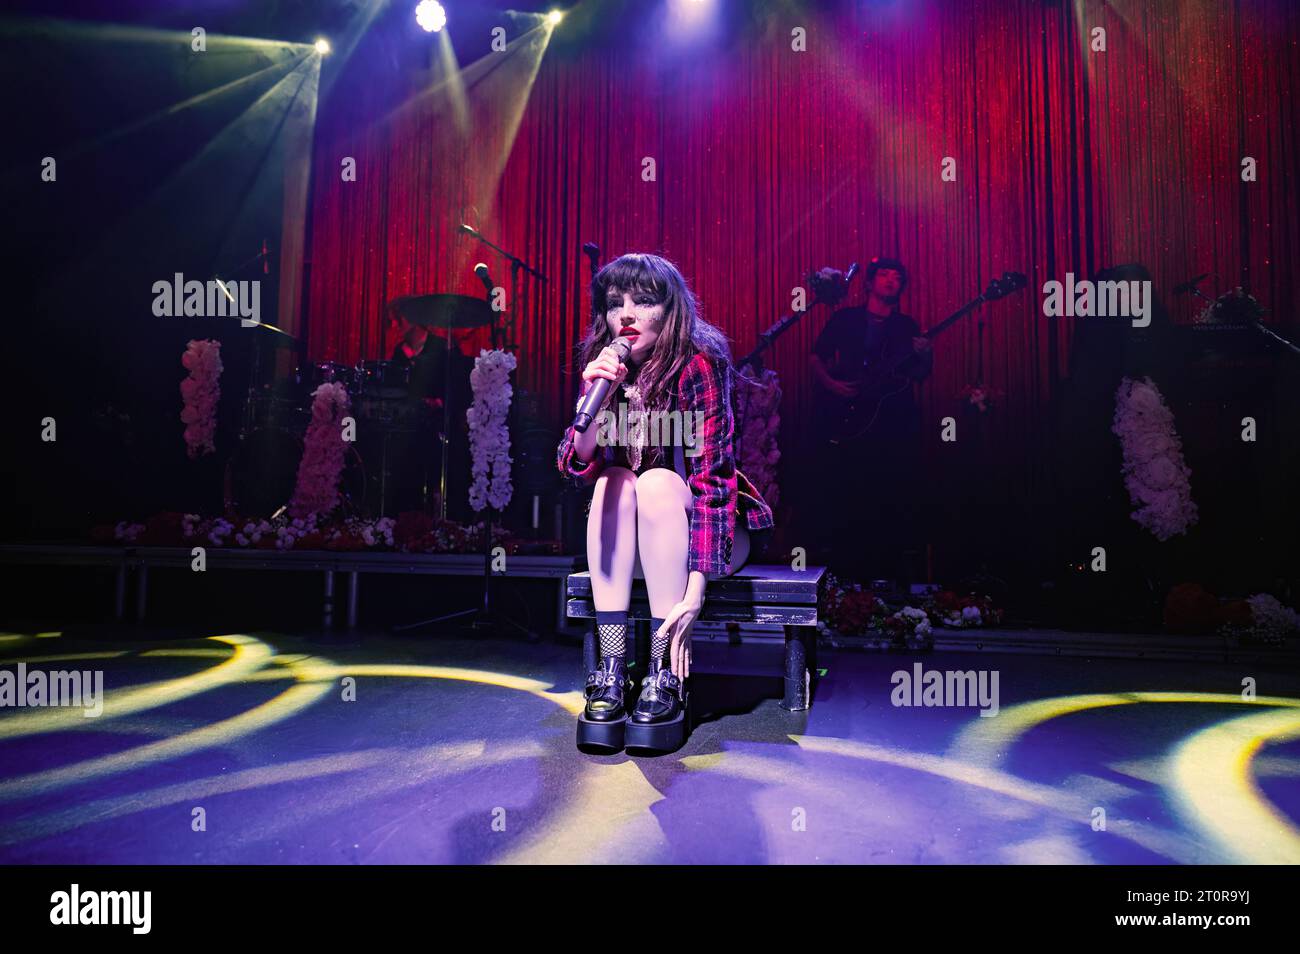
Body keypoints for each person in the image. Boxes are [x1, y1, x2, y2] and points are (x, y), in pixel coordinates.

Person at [556, 253, 775, 753]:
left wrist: (696, 591)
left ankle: (662, 670)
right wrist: (593, 398)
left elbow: (713, 484)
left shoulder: (699, 365)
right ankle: (612, 668)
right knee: (613, 479)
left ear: (670, 309)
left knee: (654, 481)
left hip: (708, 532)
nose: (626, 315)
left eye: (643, 301)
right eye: (615, 305)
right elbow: (574, 465)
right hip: (642, 538)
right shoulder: (606, 371)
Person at [808, 257, 932, 584]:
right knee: (846, 492)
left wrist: (925, 355)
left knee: (888, 493)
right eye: (885, 276)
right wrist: (832, 385)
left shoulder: (907, 327)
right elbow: (816, 355)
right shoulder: (846, 319)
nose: (892, 281)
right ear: (869, 283)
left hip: (889, 425)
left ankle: (886, 572)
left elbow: (919, 375)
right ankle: (845, 573)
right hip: (847, 421)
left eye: (897, 277)